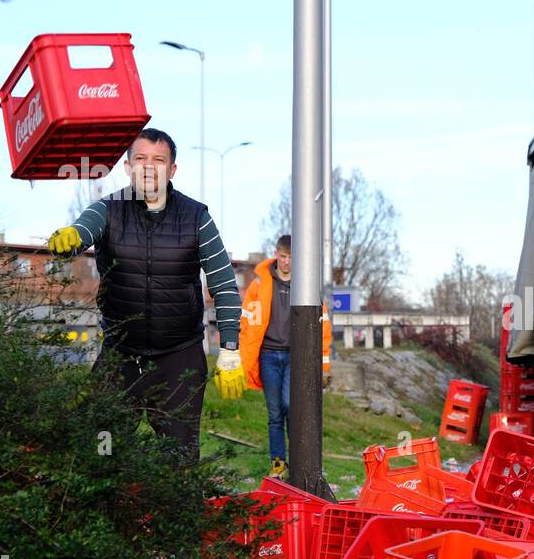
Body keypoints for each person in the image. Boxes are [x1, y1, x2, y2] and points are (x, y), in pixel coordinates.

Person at [46, 127, 245, 460]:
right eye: (140, 159)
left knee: (179, 458)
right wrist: (69, 240)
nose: (148, 167)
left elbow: (224, 283)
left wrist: (229, 349)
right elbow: (81, 233)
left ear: (172, 170)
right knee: (101, 453)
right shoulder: (106, 211)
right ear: (127, 167)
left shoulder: (197, 217)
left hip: (178, 356)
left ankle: (178, 510)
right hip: (121, 354)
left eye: (158, 160)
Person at [240, 234, 332, 477]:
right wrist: (242, 357)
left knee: (291, 405)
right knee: (274, 412)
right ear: (276, 254)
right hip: (268, 355)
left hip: (295, 356)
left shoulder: (306, 286)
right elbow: (247, 322)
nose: (287, 262)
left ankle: (300, 461)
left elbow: (323, 328)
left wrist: (324, 364)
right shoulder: (259, 284)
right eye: (283, 256)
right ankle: (278, 463)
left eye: (292, 257)